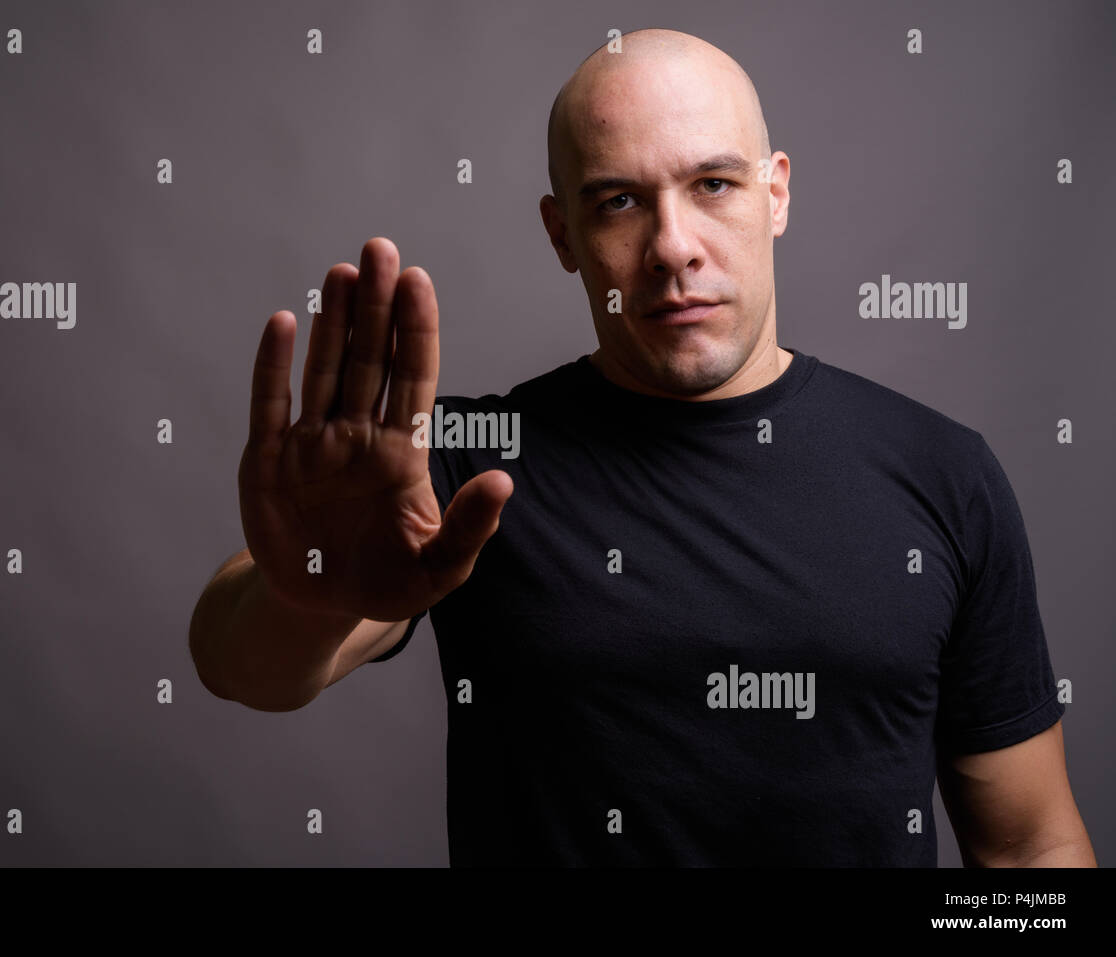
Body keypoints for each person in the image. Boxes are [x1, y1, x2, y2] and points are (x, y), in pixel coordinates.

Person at [189, 29, 1096, 867]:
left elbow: (1030, 852)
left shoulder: (944, 472)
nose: (672, 247)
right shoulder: (468, 467)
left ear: (775, 194)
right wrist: (309, 589)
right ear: (563, 235)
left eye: (713, 185)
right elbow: (242, 667)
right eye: (620, 201)